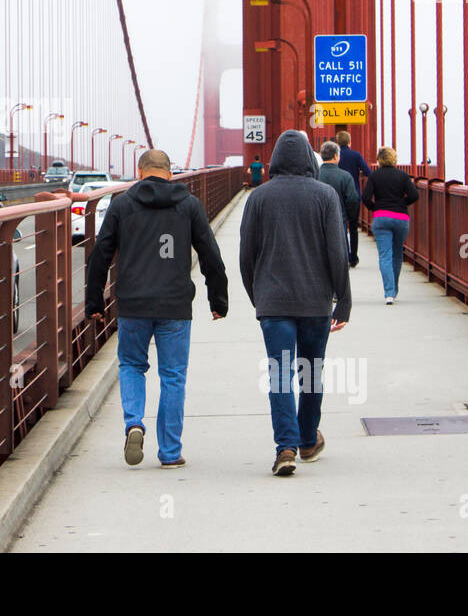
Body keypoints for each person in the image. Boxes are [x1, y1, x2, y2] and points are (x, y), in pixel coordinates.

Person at [86, 148, 228, 469]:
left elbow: (100, 255)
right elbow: (210, 256)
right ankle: (170, 452)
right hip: (175, 304)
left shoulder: (122, 205)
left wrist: (95, 301)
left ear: (139, 173)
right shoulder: (189, 205)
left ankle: (134, 423)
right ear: (171, 173)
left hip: (133, 304)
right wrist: (218, 300)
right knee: (173, 376)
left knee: (132, 366)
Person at [239, 130, 351, 477]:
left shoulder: (259, 198)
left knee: (279, 374)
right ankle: (306, 440)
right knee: (312, 372)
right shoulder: (325, 195)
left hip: (273, 304)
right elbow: (338, 251)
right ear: (308, 158)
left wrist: (258, 297)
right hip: (315, 302)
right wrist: (342, 300)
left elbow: (246, 255)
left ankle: (284, 447)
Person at [361, 146, 419, 304]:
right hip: (400, 217)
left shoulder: (374, 176)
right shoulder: (403, 175)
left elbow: (365, 197)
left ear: (379, 159)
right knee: (397, 254)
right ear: (394, 158)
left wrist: (375, 207)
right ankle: (394, 289)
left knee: (385, 255)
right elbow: (414, 195)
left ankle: (389, 293)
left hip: (381, 218)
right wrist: (402, 204)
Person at [317, 140, 359, 267]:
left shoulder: (314, 175)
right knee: (341, 247)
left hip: (317, 218)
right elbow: (352, 198)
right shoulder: (345, 176)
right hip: (339, 218)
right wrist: (350, 216)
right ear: (335, 156)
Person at [334, 131, 371, 268]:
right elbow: (368, 172)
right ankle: (353, 257)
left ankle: (345, 254)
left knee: (341, 224)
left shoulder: (336, 156)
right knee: (354, 227)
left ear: (337, 142)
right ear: (350, 142)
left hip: (337, 194)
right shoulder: (356, 155)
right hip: (354, 194)